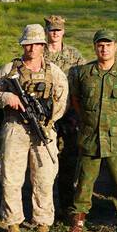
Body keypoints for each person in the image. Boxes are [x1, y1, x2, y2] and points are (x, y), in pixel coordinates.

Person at [0, 24, 69, 232]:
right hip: (15, 128)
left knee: (44, 178)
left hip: (43, 129)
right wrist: (7, 98)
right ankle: (13, 228)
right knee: (10, 178)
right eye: (27, 44)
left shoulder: (54, 72)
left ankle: (43, 228)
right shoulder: (8, 70)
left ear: (43, 46)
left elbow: (62, 101)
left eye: (36, 44)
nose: (31, 48)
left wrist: (48, 120)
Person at [61, 30, 117, 232]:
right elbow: (77, 100)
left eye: (108, 45)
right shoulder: (83, 73)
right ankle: (76, 227)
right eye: (100, 45)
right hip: (90, 138)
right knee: (83, 184)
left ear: (115, 46)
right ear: (95, 47)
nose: (104, 49)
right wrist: (87, 120)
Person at [43, 15, 85, 219]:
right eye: (52, 29)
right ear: (47, 31)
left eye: (58, 30)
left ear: (63, 32)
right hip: (44, 114)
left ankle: (68, 205)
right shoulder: (38, 53)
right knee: (44, 161)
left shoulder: (74, 55)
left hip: (69, 114)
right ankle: (44, 205)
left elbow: (83, 81)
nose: (55, 33)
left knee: (69, 158)